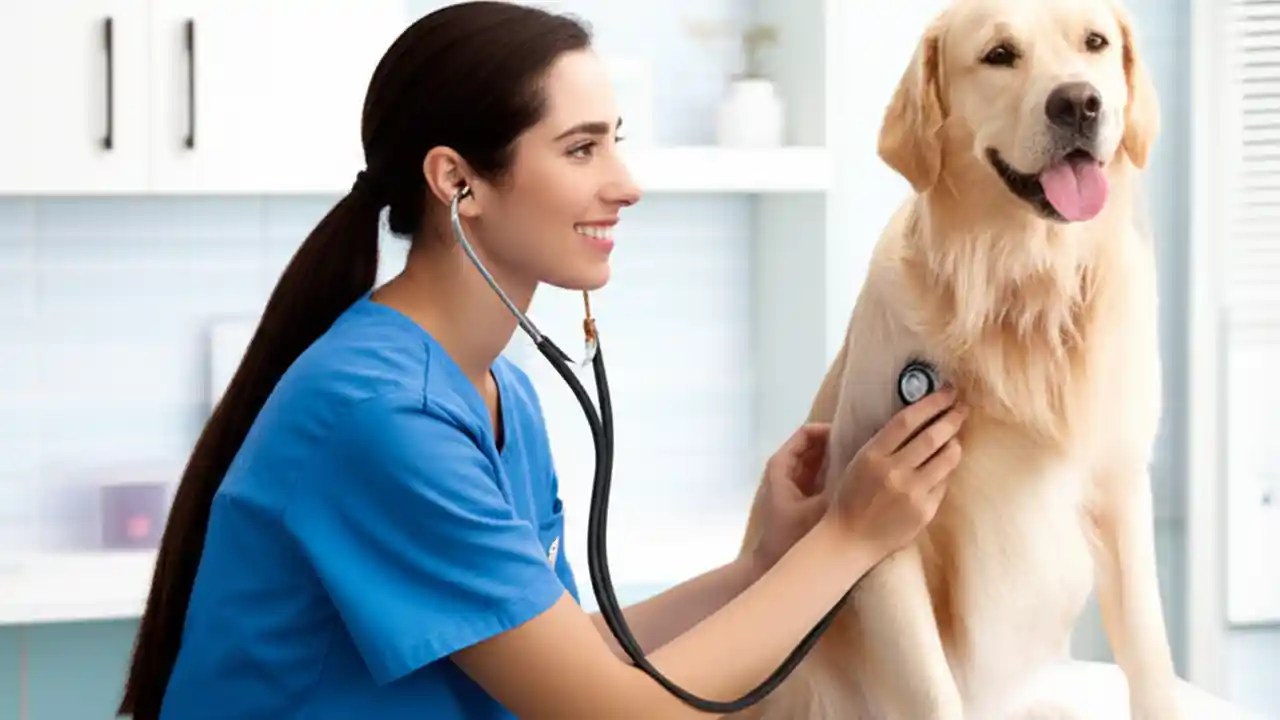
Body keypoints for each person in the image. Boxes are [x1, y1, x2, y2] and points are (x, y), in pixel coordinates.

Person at [117, 3, 968, 719]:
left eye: (615, 142)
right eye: (581, 148)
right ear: (459, 183)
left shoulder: (498, 393)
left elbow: (568, 657)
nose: (626, 182)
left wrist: (763, 566)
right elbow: (609, 712)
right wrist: (853, 536)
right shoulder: (382, 414)